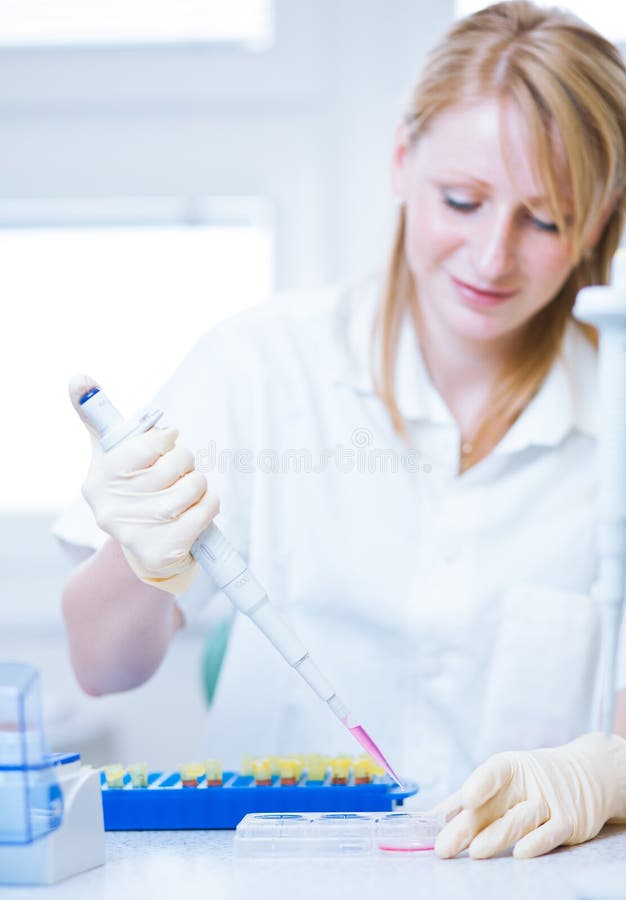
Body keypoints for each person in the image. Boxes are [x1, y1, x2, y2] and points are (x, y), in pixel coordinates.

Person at [56, 1, 626, 855]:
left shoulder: (616, 404)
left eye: (546, 220)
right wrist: (137, 555)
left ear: (600, 225)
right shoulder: (258, 367)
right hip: (277, 874)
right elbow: (102, 669)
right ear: (402, 159)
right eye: (463, 200)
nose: (492, 255)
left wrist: (611, 774)